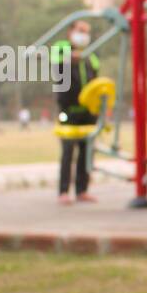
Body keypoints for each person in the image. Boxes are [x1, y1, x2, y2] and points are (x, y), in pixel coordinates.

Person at [53, 21, 100, 205]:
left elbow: (96, 78)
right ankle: (63, 191)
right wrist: (70, 56)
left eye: (86, 32)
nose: (84, 35)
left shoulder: (92, 55)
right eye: (80, 31)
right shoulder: (61, 49)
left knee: (86, 151)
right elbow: (57, 57)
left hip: (88, 111)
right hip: (69, 110)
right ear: (70, 32)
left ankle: (82, 190)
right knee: (67, 150)